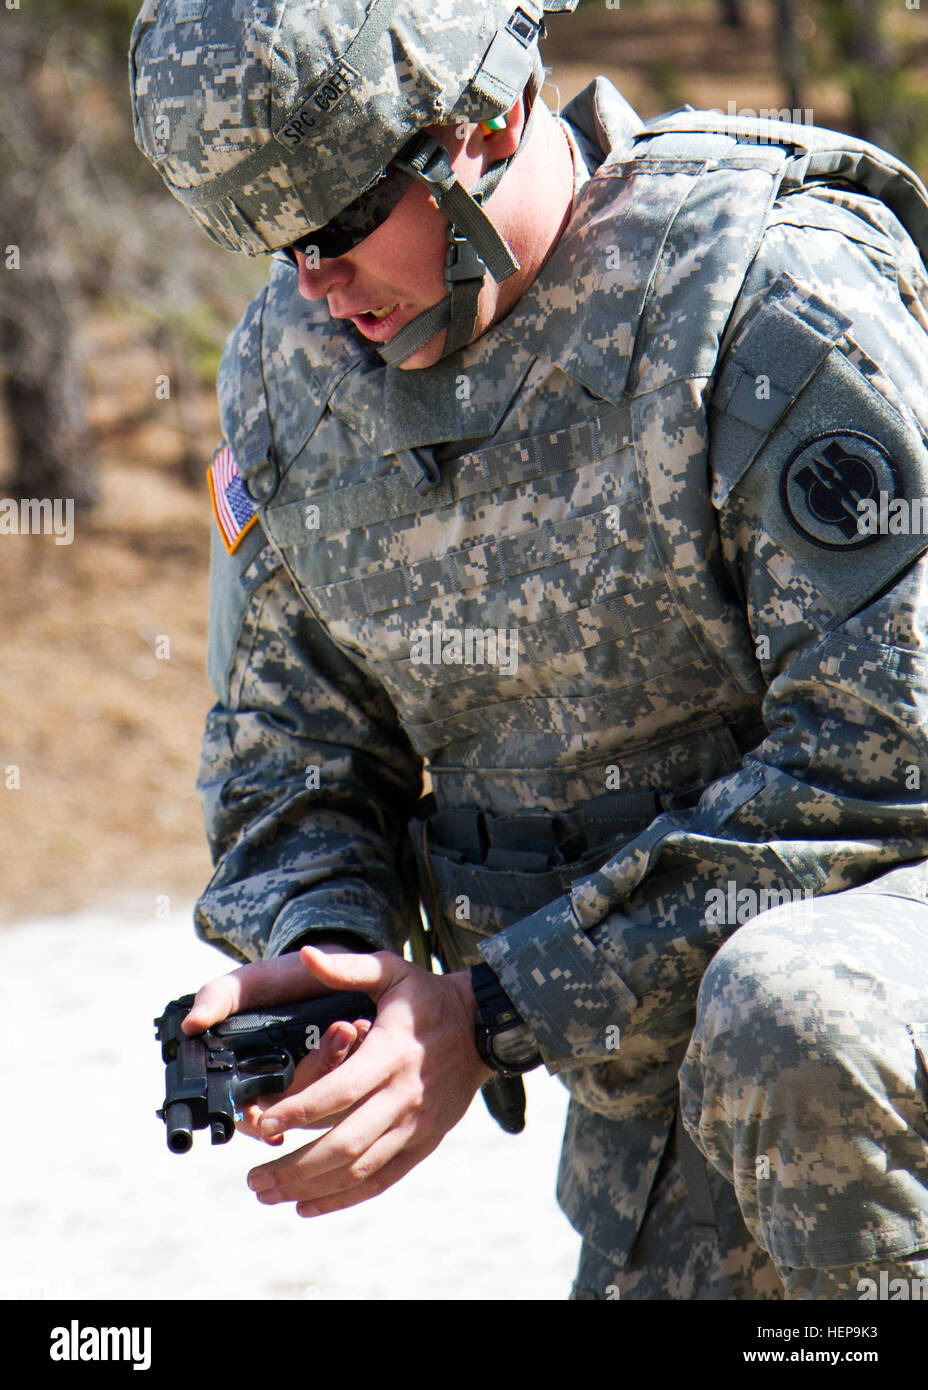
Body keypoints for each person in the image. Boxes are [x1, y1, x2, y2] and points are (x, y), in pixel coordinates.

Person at [130, 0, 928, 1299]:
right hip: (668, 1091)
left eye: (333, 224)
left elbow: (884, 765)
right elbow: (294, 757)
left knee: (794, 1016)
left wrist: (494, 1009)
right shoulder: (297, 376)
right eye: (272, 247)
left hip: (866, 1009)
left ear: (484, 122)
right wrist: (335, 966)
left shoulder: (768, 300)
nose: (314, 290)